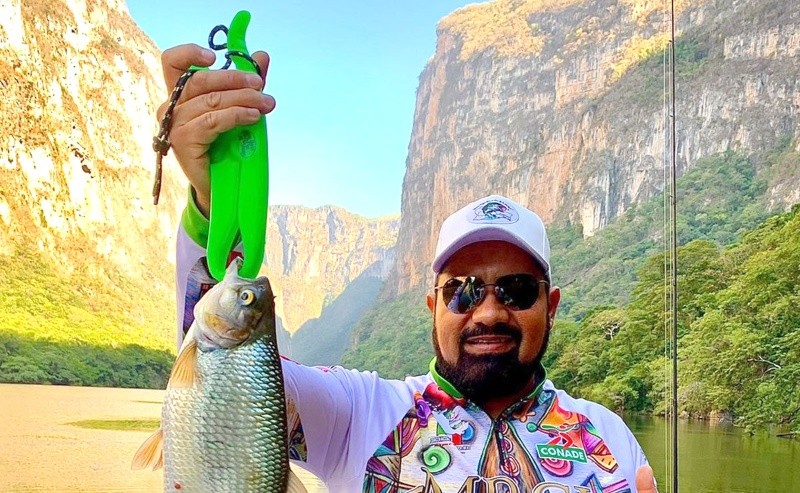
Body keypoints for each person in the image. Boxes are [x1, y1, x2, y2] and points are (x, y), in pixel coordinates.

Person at [161, 44, 660, 493]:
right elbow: (226, 372)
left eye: (515, 289)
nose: (487, 312)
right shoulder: (358, 414)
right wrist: (215, 196)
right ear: (433, 305)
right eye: (462, 291)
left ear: (550, 307)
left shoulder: (609, 440)